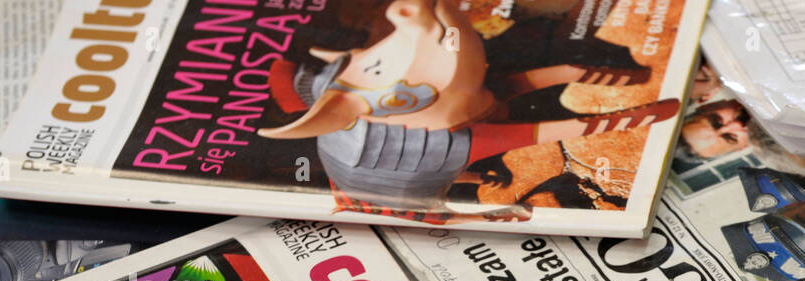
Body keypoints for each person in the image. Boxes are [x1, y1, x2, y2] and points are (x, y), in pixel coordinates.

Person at [260, 0, 678, 221]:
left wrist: (569, 72)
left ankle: (611, 76)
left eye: (368, 58)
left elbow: (467, 56)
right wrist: (648, 114)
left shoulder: (457, 81)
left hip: (449, 131)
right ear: (391, 108)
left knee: (506, 93)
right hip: (420, 176)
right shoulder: (443, 139)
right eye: (376, 66)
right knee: (537, 119)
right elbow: (566, 129)